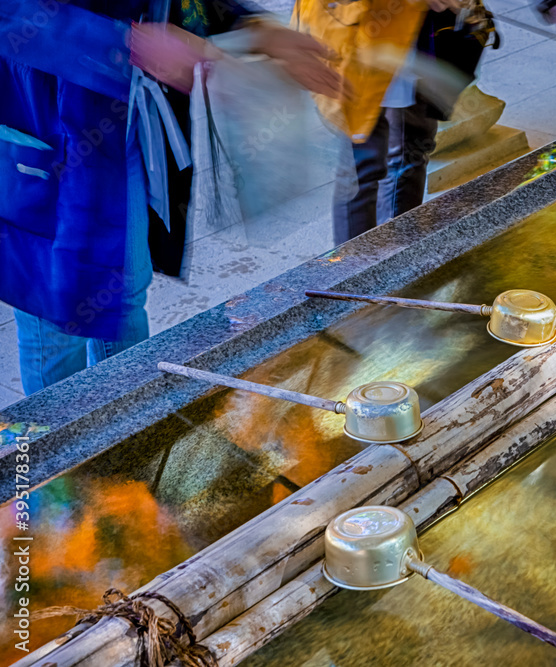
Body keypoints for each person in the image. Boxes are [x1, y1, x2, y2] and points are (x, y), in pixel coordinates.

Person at [0, 0, 342, 395]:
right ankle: (53, 450)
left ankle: (129, 422)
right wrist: (125, 42)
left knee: (124, 290)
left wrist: (249, 28)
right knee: (54, 318)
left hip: (116, 116)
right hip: (39, 110)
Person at [301, 0, 556, 245]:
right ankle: (351, 281)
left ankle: (399, 258)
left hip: (423, 37)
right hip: (360, 32)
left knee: (410, 152)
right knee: (363, 163)